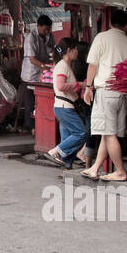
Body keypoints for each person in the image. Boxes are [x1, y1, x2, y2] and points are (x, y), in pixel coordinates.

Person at [82, 8, 127, 181]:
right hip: (122, 93)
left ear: (110, 22)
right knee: (108, 132)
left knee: (109, 133)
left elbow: (92, 65)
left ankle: (120, 171)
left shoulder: (102, 38)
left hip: (106, 91)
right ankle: (95, 168)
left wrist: (88, 87)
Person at [46, 40, 87, 168]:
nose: (77, 52)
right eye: (75, 49)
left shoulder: (65, 65)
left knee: (67, 136)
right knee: (81, 133)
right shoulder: (62, 66)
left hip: (64, 107)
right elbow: (60, 85)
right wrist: (79, 85)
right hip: (64, 107)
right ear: (68, 50)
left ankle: (66, 164)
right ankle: (55, 152)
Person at [20, 15, 55, 132]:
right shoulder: (31, 37)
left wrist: (56, 58)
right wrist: (44, 67)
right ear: (38, 26)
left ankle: (43, 124)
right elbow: (32, 59)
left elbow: (54, 50)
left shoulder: (49, 36)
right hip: (30, 73)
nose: (46, 32)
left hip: (43, 73)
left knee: (42, 101)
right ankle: (31, 126)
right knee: (30, 102)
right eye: (44, 29)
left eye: (48, 30)